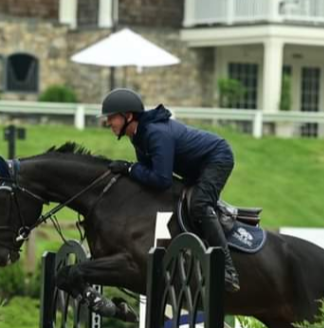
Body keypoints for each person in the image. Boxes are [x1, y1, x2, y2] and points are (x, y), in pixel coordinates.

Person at [98, 88, 241, 293]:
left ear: (128, 116)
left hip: (217, 158)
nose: (108, 122)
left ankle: (228, 270)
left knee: (200, 205)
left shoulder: (155, 133)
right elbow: (150, 179)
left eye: (112, 117)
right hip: (195, 165)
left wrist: (130, 168)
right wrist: (130, 172)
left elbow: (161, 179)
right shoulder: (138, 137)